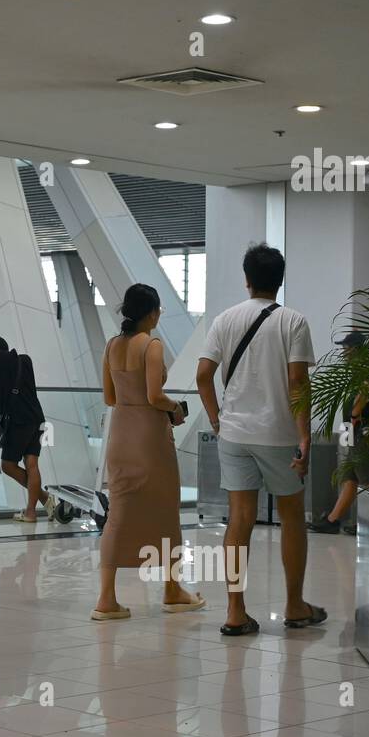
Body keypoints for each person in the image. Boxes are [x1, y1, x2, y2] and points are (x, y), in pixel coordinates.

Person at [196, 244, 324, 636]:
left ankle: (235, 611)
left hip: (234, 434)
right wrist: (305, 435)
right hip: (278, 434)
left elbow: (203, 374)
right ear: (280, 280)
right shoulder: (293, 321)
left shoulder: (225, 319)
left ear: (247, 279)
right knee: (290, 517)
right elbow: (298, 381)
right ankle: (294, 605)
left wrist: (217, 418)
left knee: (240, 519)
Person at [92, 284, 205, 620]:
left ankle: (106, 600)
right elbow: (155, 396)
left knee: (117, 516)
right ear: (151, 311)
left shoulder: (112, 345)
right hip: (149, 438)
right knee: (165, 512)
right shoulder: (151, 345)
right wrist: (176, 408)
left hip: (121, 435)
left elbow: (109, 398)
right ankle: (172, 590)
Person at [0, 335, 56, 522]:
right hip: (36, 418)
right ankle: (31, 511)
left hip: (17, 420)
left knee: (8, 465)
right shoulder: (25, 360)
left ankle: (43, 500)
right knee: (32, 465)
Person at [309, 330, 369, 534]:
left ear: (357, 349)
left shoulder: (367, 368)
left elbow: (365, 391)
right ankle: (333, 520)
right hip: (351, 427)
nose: (344, 353)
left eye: (347, 348)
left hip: (361, 428)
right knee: (351, 475)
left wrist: (355, 416)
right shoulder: (356, 370)